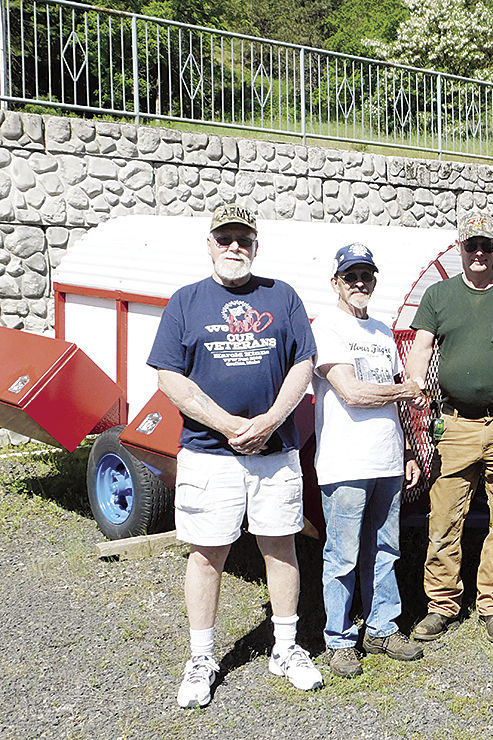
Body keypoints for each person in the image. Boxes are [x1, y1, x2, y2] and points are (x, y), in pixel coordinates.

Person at [148, 203, 323, 708]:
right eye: (224, 238)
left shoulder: (281, 295)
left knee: (281, 547)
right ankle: (201, 657)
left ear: (255, 245)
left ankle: (286, 648)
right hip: (209, 453)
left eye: (243, 239)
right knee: (207, 553)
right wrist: (227, 425)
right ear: (209, 244)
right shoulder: (186, 301)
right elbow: (169, 375)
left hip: (275, 452)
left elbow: (303, 364)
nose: (234, 248)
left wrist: (268, 422)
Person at [404, 212, 493, 645]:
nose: (479, 253)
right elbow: (421, 349)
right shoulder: (439, 294)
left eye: (486, 246)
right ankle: (441, 604)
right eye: (471, 246)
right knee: (444, 518)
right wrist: (414, 399)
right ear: (459, 249)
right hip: (456, 423)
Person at [311, 243, 427, 678]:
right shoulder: (328, 328)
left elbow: (397, 399)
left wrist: (410, 449)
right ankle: (339, 639)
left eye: (366, 276)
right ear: (336, 282)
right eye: (350, 276)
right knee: (342, 554)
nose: (359, 283)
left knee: (385, 548)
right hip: (346, 462)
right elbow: (353, 393)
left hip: (386, 458)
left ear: (375, 281)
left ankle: (381, 627)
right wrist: (408, 388)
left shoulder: (381, 331)